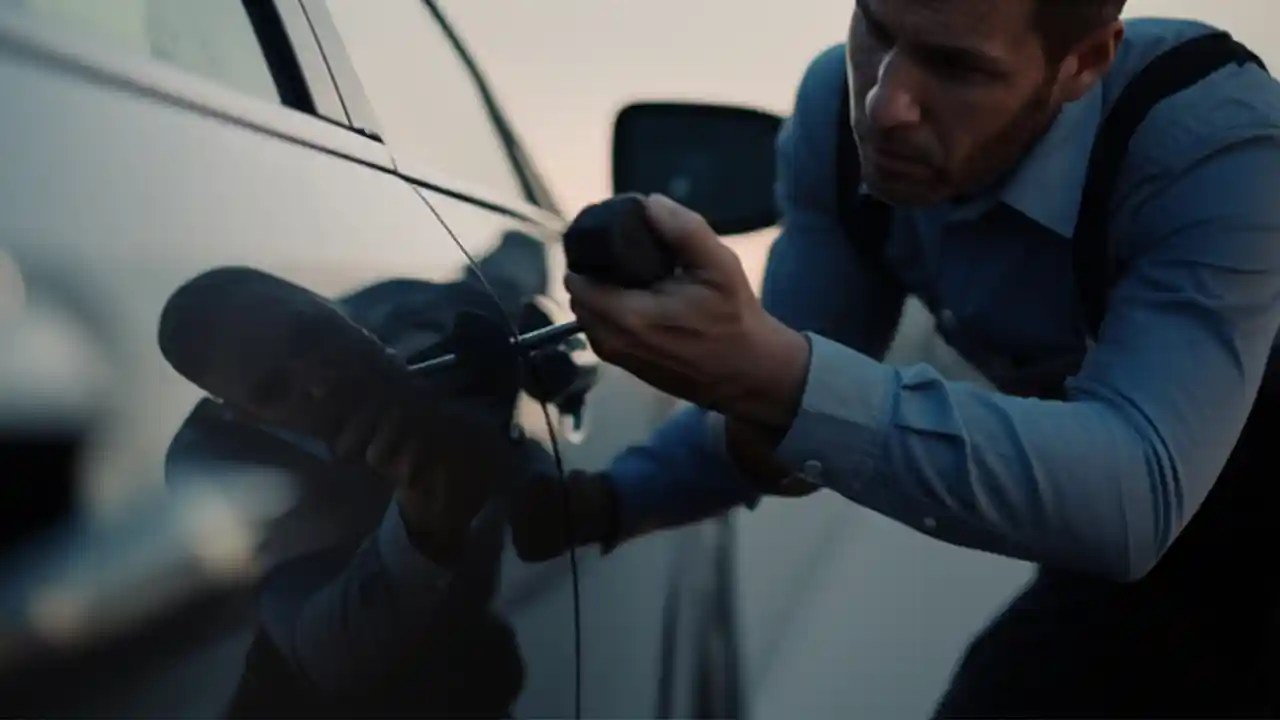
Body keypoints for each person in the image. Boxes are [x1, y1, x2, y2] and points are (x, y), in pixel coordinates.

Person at [537, 0, 1280, 716]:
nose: (887, 105)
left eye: (955, 67)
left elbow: (1134, 495)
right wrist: (602, 502)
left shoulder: (1209, 139)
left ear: (1082, 64)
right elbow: (781, 414)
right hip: (1125, 576)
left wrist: (778, 377)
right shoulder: (836, 117)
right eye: (876, 27)